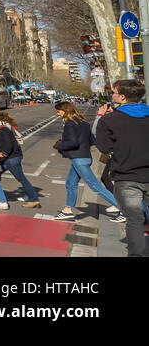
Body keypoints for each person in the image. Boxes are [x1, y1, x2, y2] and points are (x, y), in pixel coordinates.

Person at [93, 78, 149, 256]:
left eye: (114, 92)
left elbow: (103, 146)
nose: (112, 95)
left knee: (134, 220)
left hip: (126, 177)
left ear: (123, 97)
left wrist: (100, 117)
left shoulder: (110, 120)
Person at [51, 101, 123, 221]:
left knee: (95, 186)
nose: (58, 114)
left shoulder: (70, 124)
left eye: (59, 111)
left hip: (78, 160)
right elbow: (92, 140)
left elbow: (73, 142)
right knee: (70, 183)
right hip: (84, 157)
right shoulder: (84, 123)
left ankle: (123, 209)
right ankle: (67, 210)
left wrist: (61, 145)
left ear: (64, 111)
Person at [0, 111, 41, 208]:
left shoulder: (2, 129)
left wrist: (2, 153)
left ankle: (34, 199)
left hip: (11, 158)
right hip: (9, 158)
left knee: (21, 178)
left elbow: (9, 144)